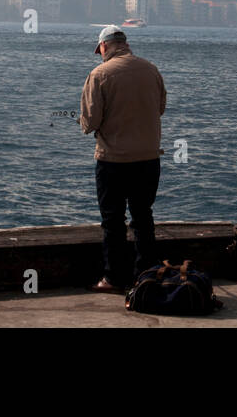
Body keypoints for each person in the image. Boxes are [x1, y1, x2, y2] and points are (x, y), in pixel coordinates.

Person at [79, 25, 167, 293]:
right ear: (125, 43)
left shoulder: (100, 74)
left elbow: (90, 123)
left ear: (104, 46)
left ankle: (114, 278)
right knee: (143, 217)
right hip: (148, 159)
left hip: (113, 160)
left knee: (113, 221)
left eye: (100, 50)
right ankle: (147, 276)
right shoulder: (151, 69)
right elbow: (160, 108)